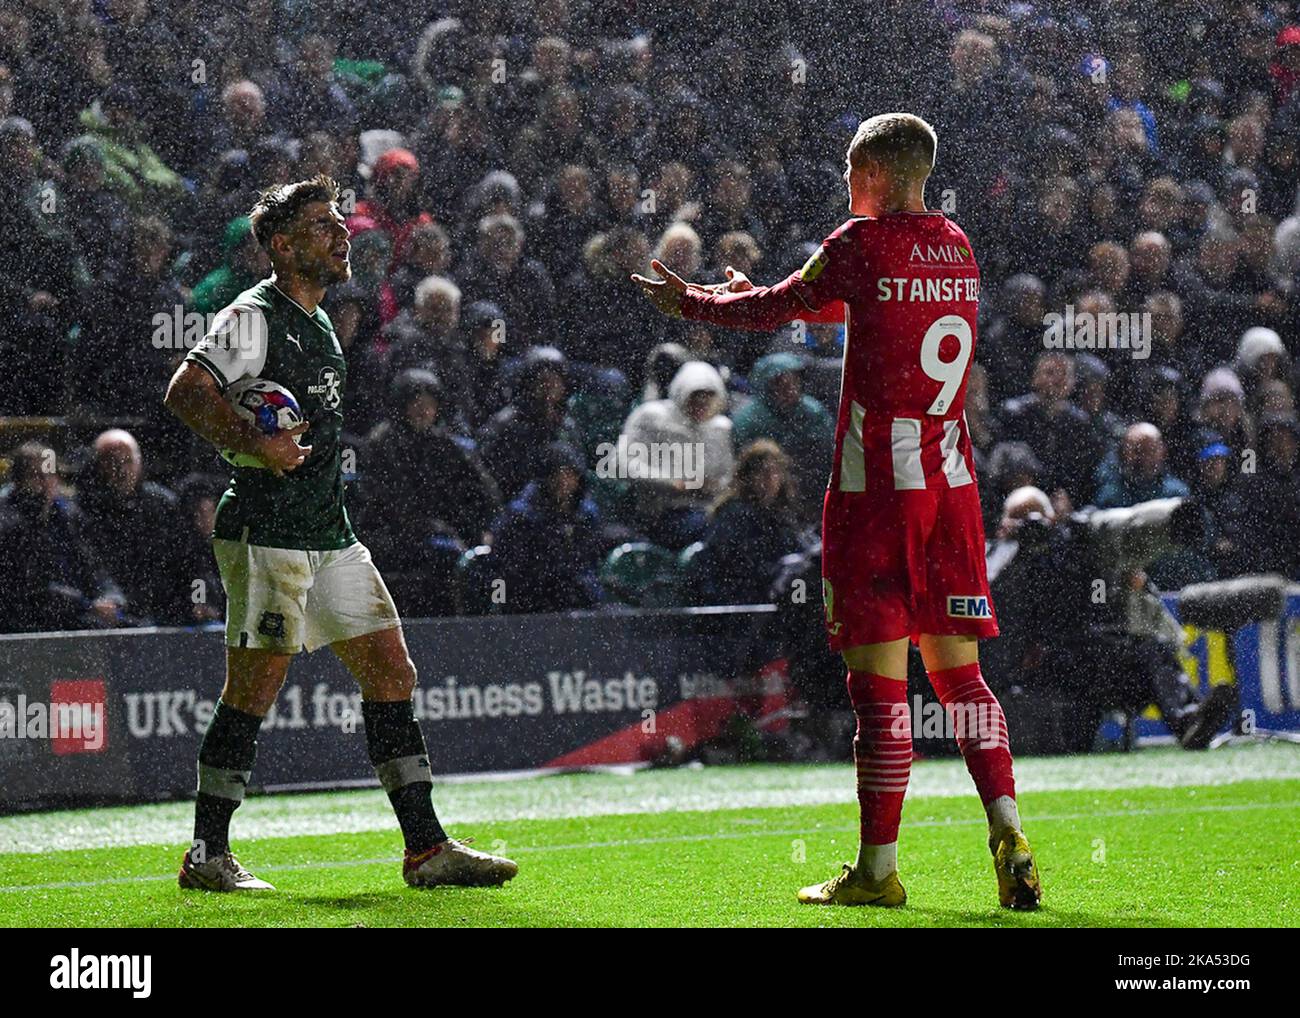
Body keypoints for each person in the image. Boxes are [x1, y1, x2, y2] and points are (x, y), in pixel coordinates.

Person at [634, 113, 1040, 910]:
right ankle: (1009, 826)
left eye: (852, 169)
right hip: (952, 490)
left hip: (874, 497)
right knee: (963, 680)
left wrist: (696, 307)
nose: (846, 184)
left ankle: (878, 870)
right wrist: (770, 297)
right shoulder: (957, 247)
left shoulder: (860, 241)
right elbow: (854, 303)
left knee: (880, 693)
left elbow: (788, 302)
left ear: (874, 173)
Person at [163, 174, 516, 892]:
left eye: (340, 223)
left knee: (392, 672)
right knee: (254, 689)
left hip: (328, 529)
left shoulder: (320, 319)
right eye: (324, 225)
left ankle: (426, 849)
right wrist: (252, 442)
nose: (342, 233)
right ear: (283, 246)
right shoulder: (255, 315)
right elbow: (185, 392)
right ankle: (206, 855)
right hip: (268, 527)